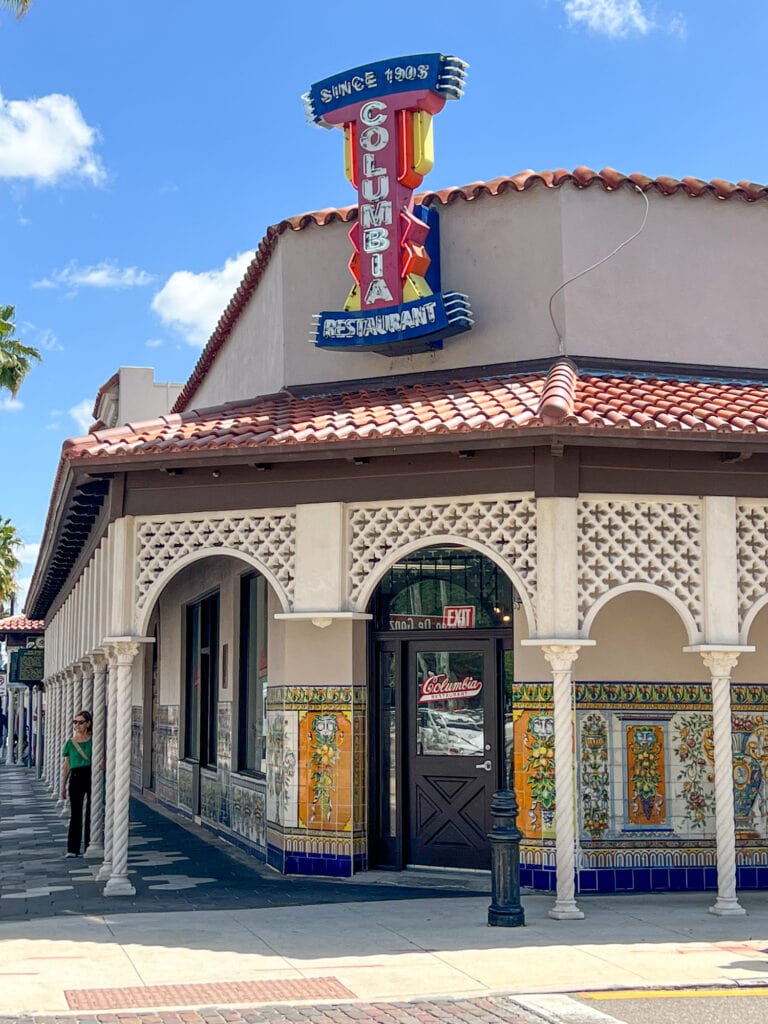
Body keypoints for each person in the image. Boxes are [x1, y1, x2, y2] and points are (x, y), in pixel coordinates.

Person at [60, 710, 92, 857]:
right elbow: (67, 765)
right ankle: (72, 849)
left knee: (92, 811)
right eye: (75, 722)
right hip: (76, 776)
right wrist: (63, 785)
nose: (77, 725)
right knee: (76, 813)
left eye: (80, 722)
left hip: (91, 775)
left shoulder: (94, 741)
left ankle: (90, 844)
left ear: (88, 724)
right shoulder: (71, 743)